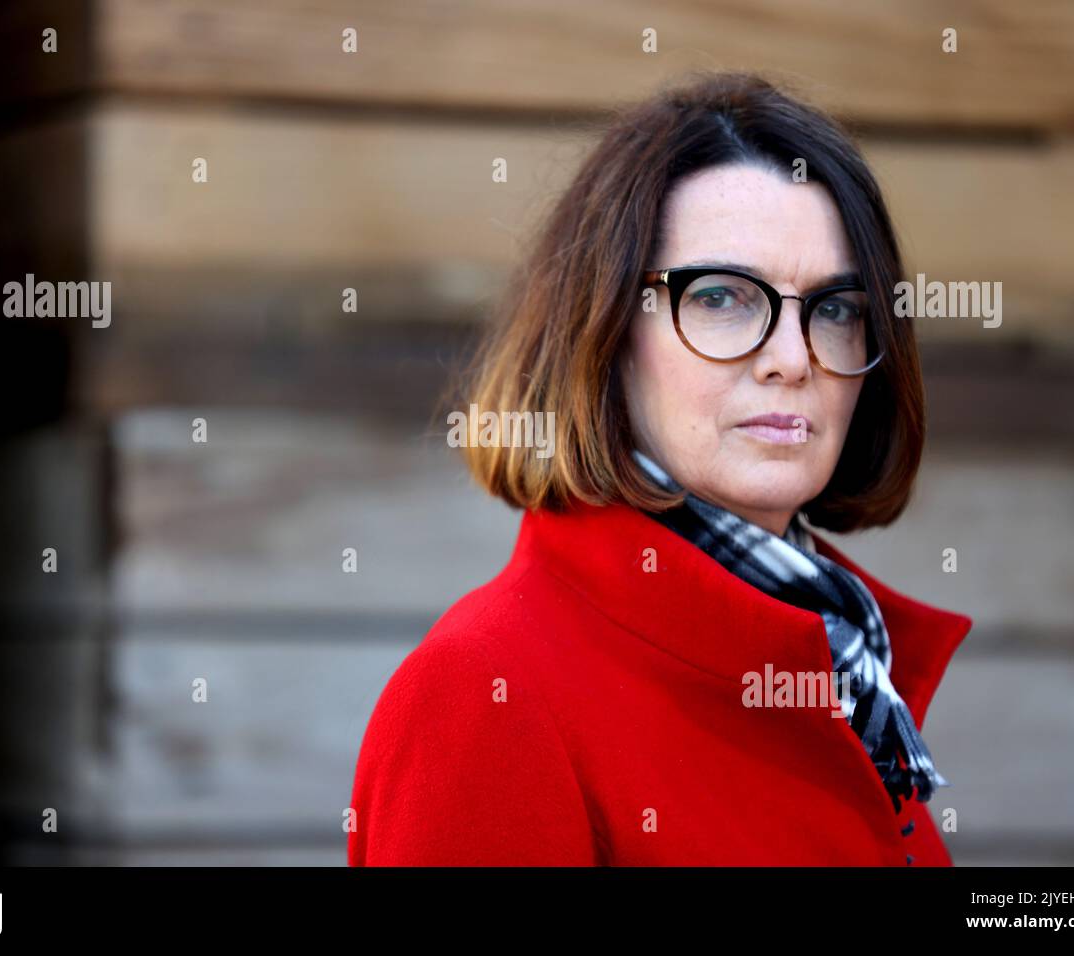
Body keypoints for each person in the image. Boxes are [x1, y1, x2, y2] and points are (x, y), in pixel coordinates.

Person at [347, 71, 973, 866]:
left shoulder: (852, 667)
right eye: (721, 297)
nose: (793, 358)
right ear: (605, 333)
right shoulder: (485, 691)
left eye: (837, 308)